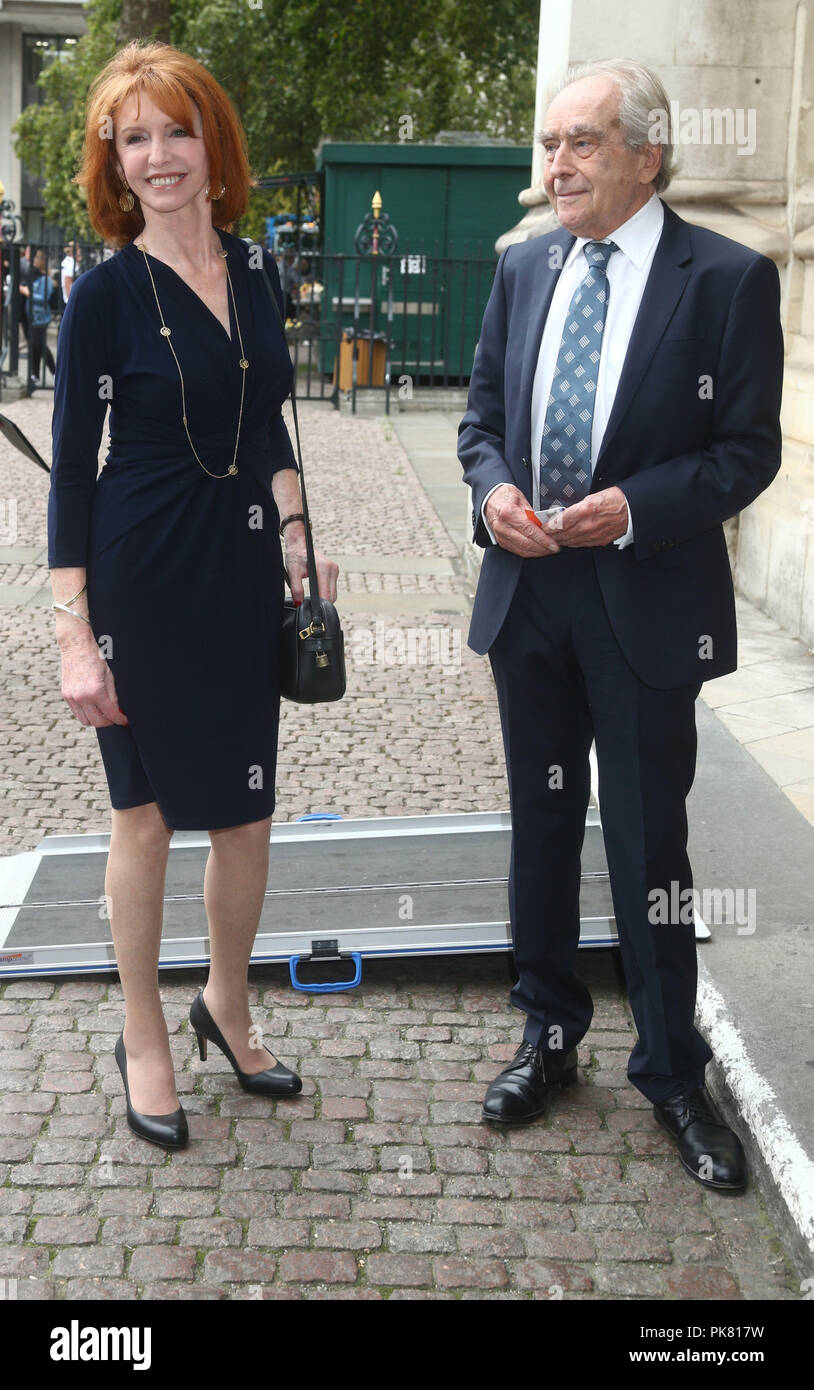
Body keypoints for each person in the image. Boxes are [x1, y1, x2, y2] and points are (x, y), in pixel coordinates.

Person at [458, 58, 784, 1192]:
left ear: (647, 154)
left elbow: (747, 451)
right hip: (528, 598)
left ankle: (671, 1071)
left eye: (581, 143)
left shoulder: (727, 279)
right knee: (541, 830)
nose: (556, 165)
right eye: (548, 145)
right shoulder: (523, 266)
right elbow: (480, 417)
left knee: (651, 846)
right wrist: (490, 491)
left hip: (643, 607)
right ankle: (546, 1033)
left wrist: (637, 507)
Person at [47, 39, 339, 1151]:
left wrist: (299, 534)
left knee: (249, 812)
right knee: (147, 813)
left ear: (214, 144)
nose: (159, 155)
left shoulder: (258, 271)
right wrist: (75, 634)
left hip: (243, 565)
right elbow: (73, 469)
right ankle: (143, 1033)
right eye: (135, 138)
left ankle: (225, 1002)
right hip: (141, 568)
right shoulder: (103, 298)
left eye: (177, 130)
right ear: (113, 164)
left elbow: (265, 417)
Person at [20, 248, 57, 391]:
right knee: (35, 345)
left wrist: (27, 293)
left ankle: (54, 371)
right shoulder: (36, 277)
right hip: (33, 316)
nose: (34, 260)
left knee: (39, 344)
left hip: (40, 317)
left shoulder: (46, 280)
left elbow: (43, 298)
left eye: (36, 258)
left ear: (41, 261)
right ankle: (35, 374)